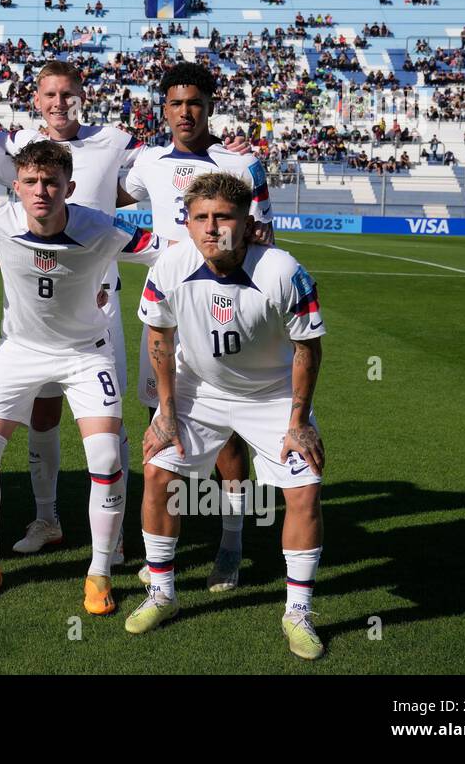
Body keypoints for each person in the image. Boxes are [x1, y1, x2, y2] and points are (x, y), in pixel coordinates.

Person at [0, 141, 164, 613]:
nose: (41, 190)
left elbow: (163, 252)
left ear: (69, 187)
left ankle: (100, 572)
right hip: (20, 352)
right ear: (16, 187)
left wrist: (233, 241)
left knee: (108, 456)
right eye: (30, 182)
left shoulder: (101, 227)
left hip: (86, 354)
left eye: (51, 182)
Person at [129, 172, 327, 661]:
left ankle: (297, 612)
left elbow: (308, 347)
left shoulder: (282, 269)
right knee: (157, 472)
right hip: (200, 390)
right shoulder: (170, 265)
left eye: (224, 216)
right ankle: (162, 593)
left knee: (304, 488)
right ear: (187, 222)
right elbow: (160, 340)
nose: (212, 227)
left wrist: (298, 420)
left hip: (272, 394)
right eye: (201, 217)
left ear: (247, 221)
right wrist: (166, 412)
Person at [122, 61, 273, 591]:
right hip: (167, 314)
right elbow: (108, 197)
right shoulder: (146, 163)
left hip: (224, 315)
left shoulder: (242, 164)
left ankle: (231, 544)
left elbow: (265, 238)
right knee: (164, 429)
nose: (185, 112)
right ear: (162, 108)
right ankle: (169, 547)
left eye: (194, 102)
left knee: (230, 437)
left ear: (209, 105)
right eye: (175, 103)